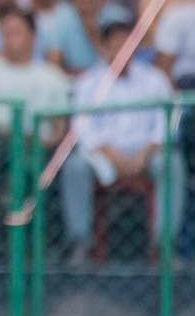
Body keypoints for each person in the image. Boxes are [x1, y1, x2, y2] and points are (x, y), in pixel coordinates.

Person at [60, 20, 182, 264]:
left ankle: (164, 244)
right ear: (103, 48)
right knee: (75, 166)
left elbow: (168, 123)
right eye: (116, 44)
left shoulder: (155, 80)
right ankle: (81, 243)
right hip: (102, 154)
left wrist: (145, 152)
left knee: (172, 164)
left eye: (128, 43)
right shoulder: (89, 83)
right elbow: (82, 129)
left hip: (147, 154)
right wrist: (110, 153)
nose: (123, 49)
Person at [0, 11, 69, 253]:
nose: (10, 39)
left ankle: (47, 240)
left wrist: (41, 143)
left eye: (16, 33)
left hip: (36, 148)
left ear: (32, 36)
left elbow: (60, 128)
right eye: (5, 34)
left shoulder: (52, 77)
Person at [46, 0, 131, 75]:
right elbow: (53, 63)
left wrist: (94, 34)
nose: (82, 4)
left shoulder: (119, 18)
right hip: (75, 81)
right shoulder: (62, 20)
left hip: (115, 80)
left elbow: (123, 61)